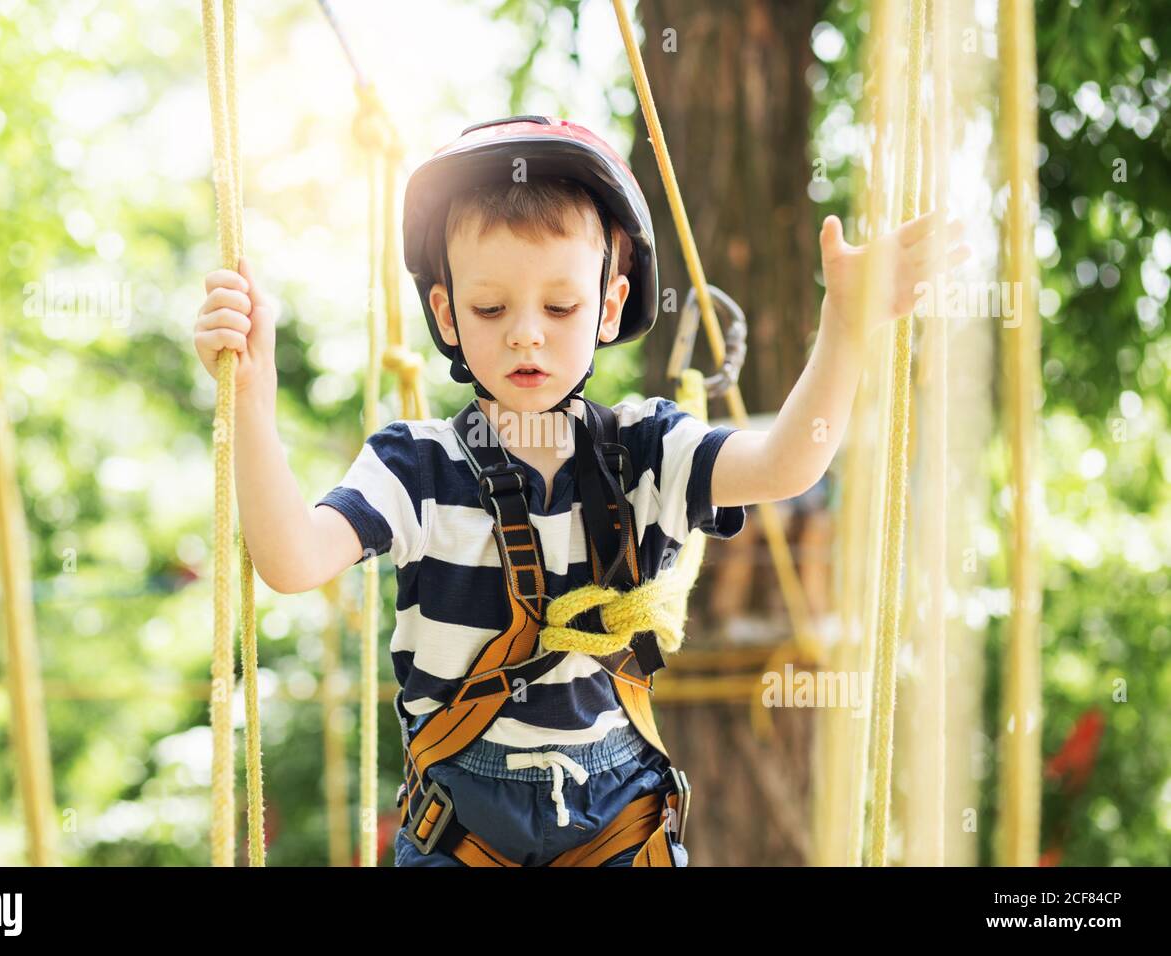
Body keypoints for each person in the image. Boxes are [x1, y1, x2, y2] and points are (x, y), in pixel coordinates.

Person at [193, 116, 969, 867]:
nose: (526, 333)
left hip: (616, 813)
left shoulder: (646, 449)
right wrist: (252, 398)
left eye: (559, 307)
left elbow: (789, 463)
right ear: (447, 315)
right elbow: (291, 561)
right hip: (461, 821)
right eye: (491, 309)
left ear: (608, 307)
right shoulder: (413, 469)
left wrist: (846, 326)